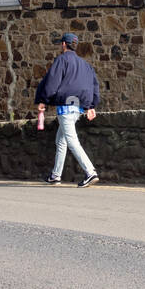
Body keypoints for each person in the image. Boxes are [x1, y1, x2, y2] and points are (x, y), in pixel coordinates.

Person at [35, 32, 101, 187]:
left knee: (71, 140)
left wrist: (43, 100)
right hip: (78, 108)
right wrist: (91, 105)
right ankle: (55, 175)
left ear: (63, 44)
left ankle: (90, 172)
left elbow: (52, 81)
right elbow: (94, 86)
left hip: (65, 108)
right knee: (61, 140)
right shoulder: (85, 65)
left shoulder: (62, 60)